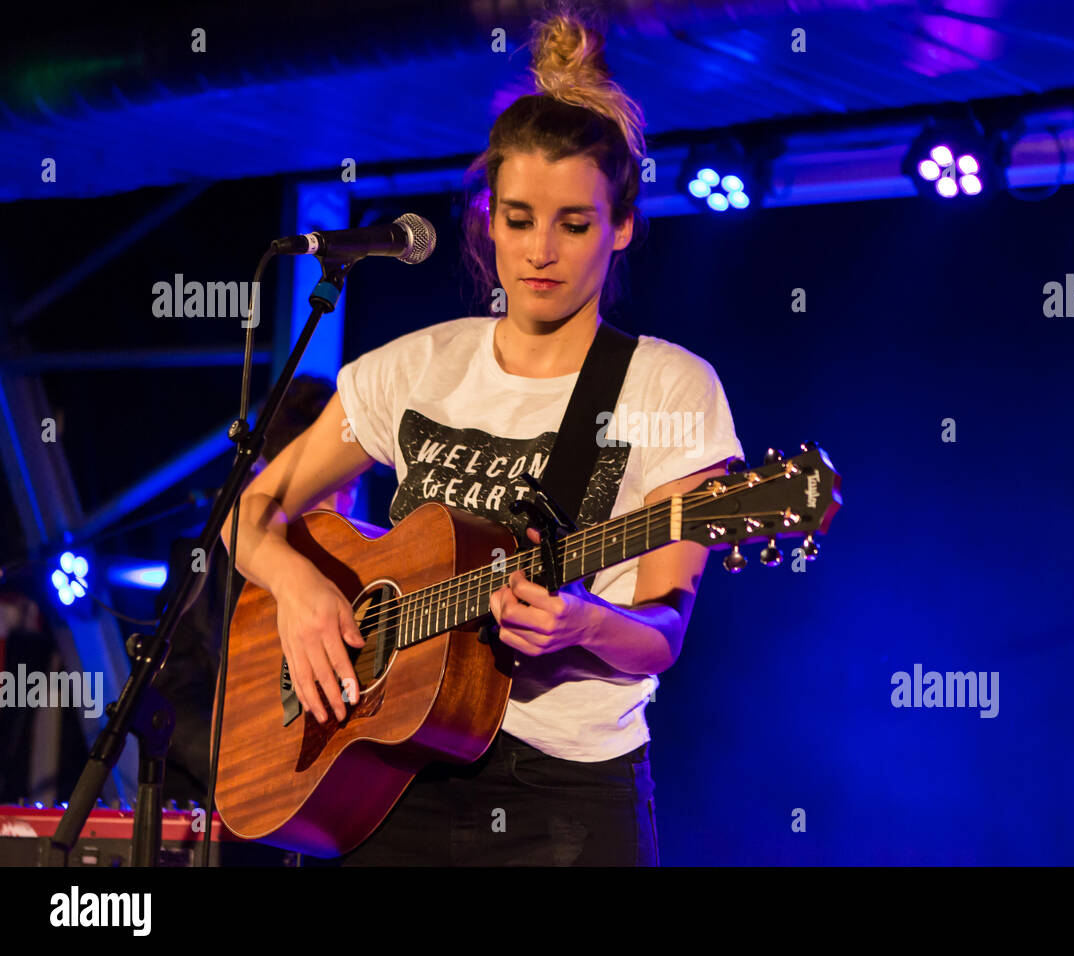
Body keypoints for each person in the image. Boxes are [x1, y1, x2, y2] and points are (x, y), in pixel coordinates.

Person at [220, 3, 744, 866]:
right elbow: (253, 512)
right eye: (519, 218)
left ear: (619, 227)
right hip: (390, 772)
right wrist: (302, 592)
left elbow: (663, 632)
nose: (541, 250)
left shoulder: (668, 384)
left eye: (575, 224)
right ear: (486, 219)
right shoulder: (414, 367)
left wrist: (581, 624)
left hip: (566, 794)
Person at [157, 374, 362, 805]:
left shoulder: (364, 560)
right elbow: (173, 693)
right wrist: (246, 766)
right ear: (265, 475)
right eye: (317, 489)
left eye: (346, 488)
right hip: (217, 799)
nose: (335, 507)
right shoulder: (201, 563)